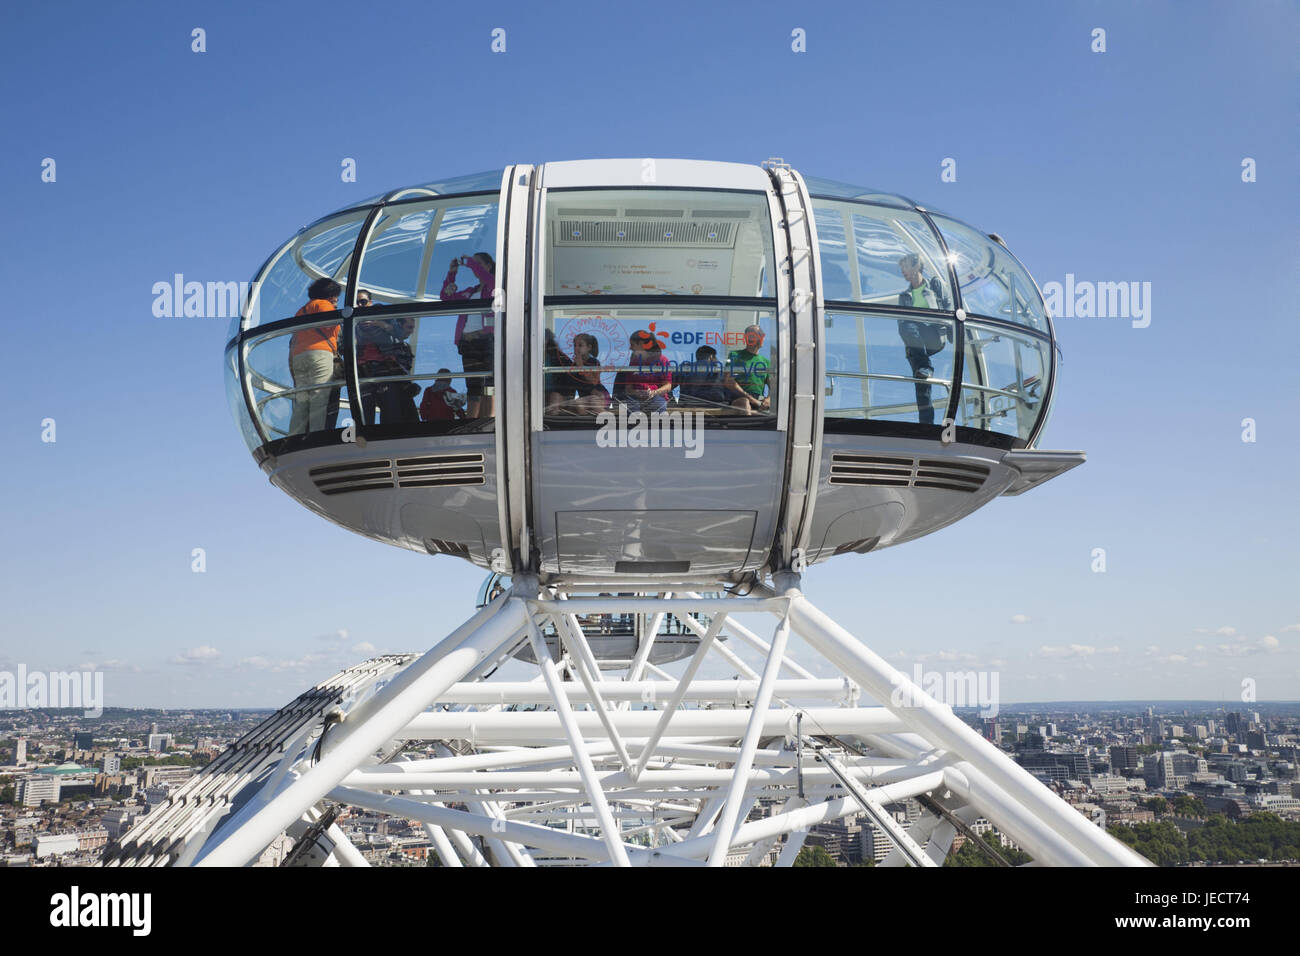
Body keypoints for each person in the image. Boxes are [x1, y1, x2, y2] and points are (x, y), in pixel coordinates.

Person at [895, 253, 951, 425]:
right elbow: (902, 325)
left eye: (905, 267)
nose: (903, 272)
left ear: (916, 266)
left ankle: (924, 366)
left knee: (909, 323)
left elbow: (948, 306)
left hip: (932, 335)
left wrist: (952, 331)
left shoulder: (934, 284)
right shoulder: (904, 296)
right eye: (901, 269)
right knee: (921, 382)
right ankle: (926, 424)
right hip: (914, 342)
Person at [442, 253, 496, 418]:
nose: (473, 267)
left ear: (488, 265)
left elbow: (491, 280)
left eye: (478, 263)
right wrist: (452, 274)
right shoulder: (471, 291)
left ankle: (488, 421)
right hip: (468, 343)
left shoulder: (495, 286)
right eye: (474, 264)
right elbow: (446, 298)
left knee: (489, 383)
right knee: (473, 385)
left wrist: (471, 263)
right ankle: (472, 421)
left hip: (487, 340)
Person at [288, 278, 342, 435]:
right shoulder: (324, 305)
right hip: (320, 353)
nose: (336, 299)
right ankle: (316, 435)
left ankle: (294, 436)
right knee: (319, 398)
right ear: (330, 294)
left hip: (299, 356)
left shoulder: (301, 310)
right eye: (335, 295)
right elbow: (330, 323)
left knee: (302, 401)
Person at [357, 315, 418, 425]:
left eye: (413, 328)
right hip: (388, 385)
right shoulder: (385, 341)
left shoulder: (405, 346)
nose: (411, 331)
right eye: (409, 327)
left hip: (401, 388)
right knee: (392, 420)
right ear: (399, 326)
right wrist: (382, 325)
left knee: (411, 419)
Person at [613, 329, 672, 414]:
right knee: (630, 409)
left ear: (641, 344)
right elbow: (628, 388)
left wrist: (654, 393)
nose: (630, 348)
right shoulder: (634, 361)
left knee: (659, 407)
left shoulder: (662, 361)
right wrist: (637, 393)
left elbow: (668, 386)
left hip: (656, 397)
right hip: (635, 399)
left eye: (632, 344)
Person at [725, 325, 771, 414]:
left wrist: (768, 399)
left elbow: (773, 387)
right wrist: (753, 400)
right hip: (739, 396)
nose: (760, 337)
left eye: (760, 334)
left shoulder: (766, 362)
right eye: (755, 335)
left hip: (759, 399)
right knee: (744, 403)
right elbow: (728, 381)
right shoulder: (735, 355)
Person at [568, 332, 610, 413]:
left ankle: (610, 419)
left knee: (580, 404)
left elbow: (594, 381)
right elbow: (572, 384)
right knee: (577, 406)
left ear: (589, 347)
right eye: (575, 345)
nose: (576, 348)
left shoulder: (594, 362)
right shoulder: (573, 365)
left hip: (600, 395)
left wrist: (581, 367)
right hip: (585, 397)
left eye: (580, 345)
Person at [543, 329, 575, 410]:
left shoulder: (560, 358)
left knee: (554, 398)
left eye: (543, 339)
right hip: (536, 393)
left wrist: (563, 395)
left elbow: (570, 381)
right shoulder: (527, 357)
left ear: (548, 341)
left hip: (557, 395)